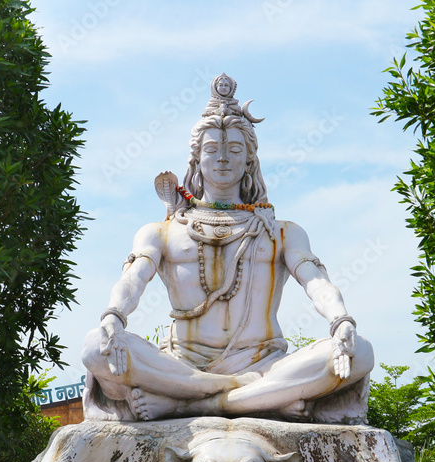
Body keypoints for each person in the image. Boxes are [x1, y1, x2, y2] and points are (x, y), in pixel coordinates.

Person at [81, 74, 373, 423]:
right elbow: (133, 279)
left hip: (263, 365)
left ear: (249, 159)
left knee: (361, 352)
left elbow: (316, 282)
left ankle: (194, 404)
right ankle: (250, 397)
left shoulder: (280, 231)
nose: (222, 158)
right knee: (94, 345)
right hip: (183, 367)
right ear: (196, 160)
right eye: (211, 149)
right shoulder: (162, 231)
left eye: (234, 150)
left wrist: (341, 321)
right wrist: (114, 315)